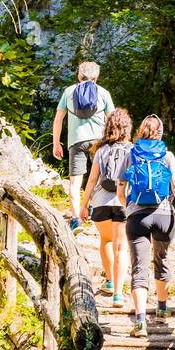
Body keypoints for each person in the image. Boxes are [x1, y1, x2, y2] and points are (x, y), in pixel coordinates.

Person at [118, 114, 175, 338]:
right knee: (162, 260)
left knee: (139, 268)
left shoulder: (131, 154)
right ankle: (161, 308)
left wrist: (128, 206)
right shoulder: (167, 155)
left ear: (141, 131)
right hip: (164, 215)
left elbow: (120, 189)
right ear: (160, 133)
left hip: (137, 217)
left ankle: (140, 322)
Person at [52, 61, 114, 230]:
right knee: (99, 178)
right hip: (99, 141)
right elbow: (113, 121)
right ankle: (95, 212)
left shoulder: (69, 91)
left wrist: (56, 143)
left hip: (76, 140)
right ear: (97, 77)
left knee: (74, 182)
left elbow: (58, 119)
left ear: (79, 75)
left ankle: (76, 219)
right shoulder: (103, 93)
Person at [80, 108, 132, 306]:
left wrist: (83, 206)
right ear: (127, 128)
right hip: (123, 202)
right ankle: (118, 293)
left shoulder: (101, 150)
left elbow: (92, 180)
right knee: (121, 248)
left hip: (101, 202)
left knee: (106, 240)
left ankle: (109, 281)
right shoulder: (132, 150)